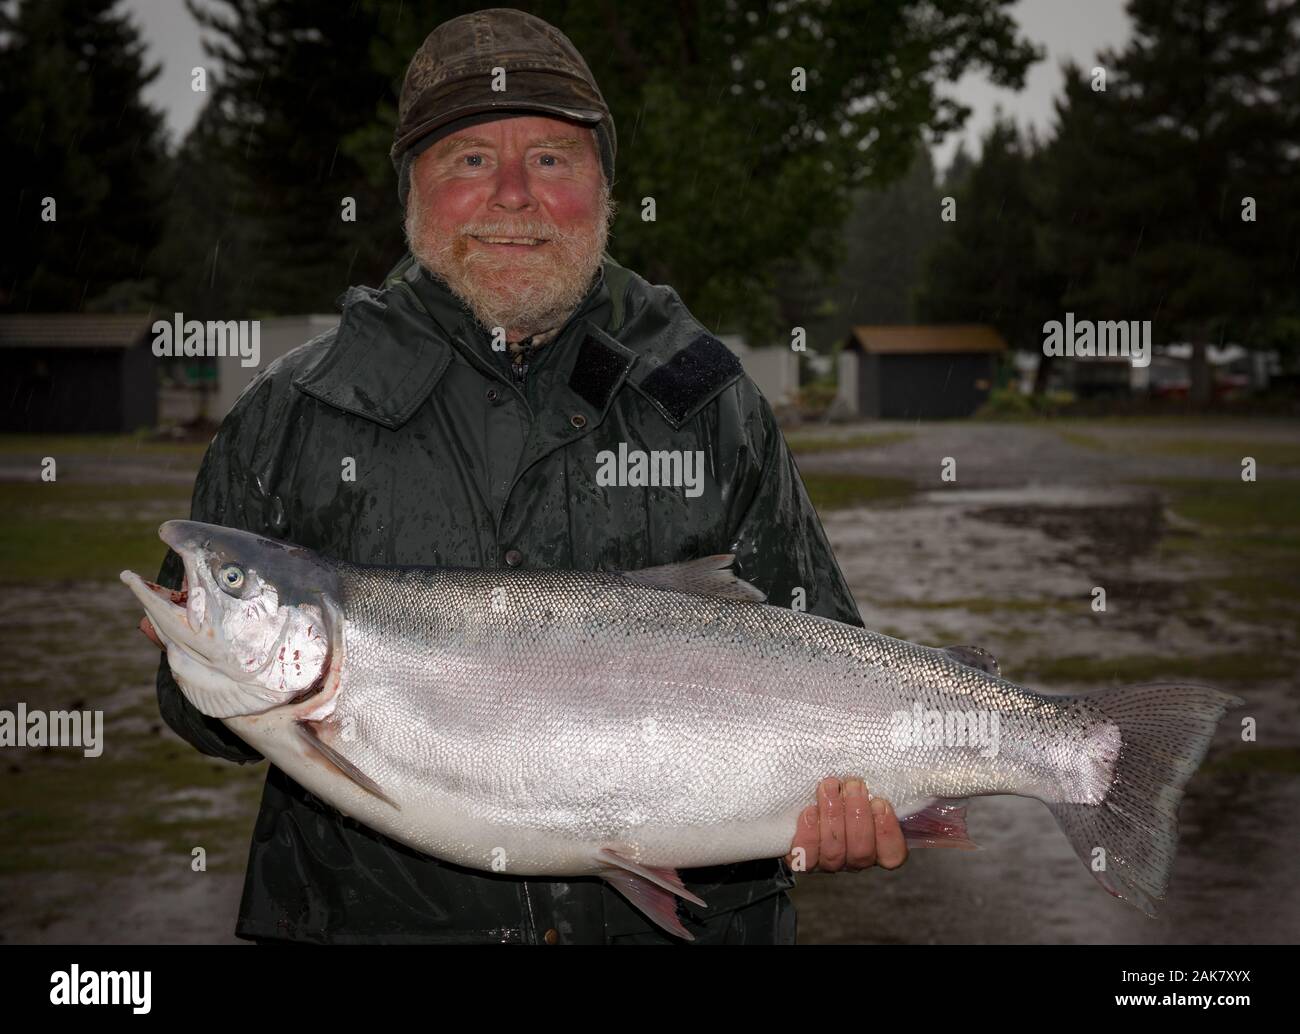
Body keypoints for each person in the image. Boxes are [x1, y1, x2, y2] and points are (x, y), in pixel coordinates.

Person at [145, 7, 906, 945]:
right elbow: (202, 712)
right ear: (411, 189)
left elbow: (829, 655)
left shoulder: (705, 397)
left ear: (604, 189)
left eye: (551, 158)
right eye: (468, 159)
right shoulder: (294, 411)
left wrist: (844, 803)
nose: (513, 195)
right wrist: (202, 672)